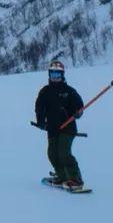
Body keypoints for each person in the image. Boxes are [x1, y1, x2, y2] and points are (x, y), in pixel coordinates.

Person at [34, 60, 85, 190]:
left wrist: (78, 112)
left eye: (58, 75)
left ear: (62, 75)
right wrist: (41, 122)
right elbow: (39, 108)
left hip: (67, 128)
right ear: (49, 75)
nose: (55, 77)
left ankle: (76, 179)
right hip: (52, 128)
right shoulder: (45, 91)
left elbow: (79, 105)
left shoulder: (69, 91)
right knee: (52, 153)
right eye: (53, 75)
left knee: (63, 152)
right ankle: (62, 176)